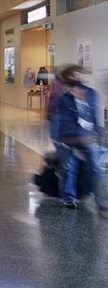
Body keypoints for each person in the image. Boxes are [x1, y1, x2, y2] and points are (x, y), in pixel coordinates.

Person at [50, 65, 103, 211]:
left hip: (88, 136)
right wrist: (67, 138)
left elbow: (93, 116)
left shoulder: (91, 94)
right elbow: (64, 120)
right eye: (74, 75)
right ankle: (68, 197)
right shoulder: (65, 98)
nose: (78, 78)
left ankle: (100, 197)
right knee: (68, 167)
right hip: (69, 138)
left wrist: (97, 135)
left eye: (80, 75)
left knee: (95, 168)